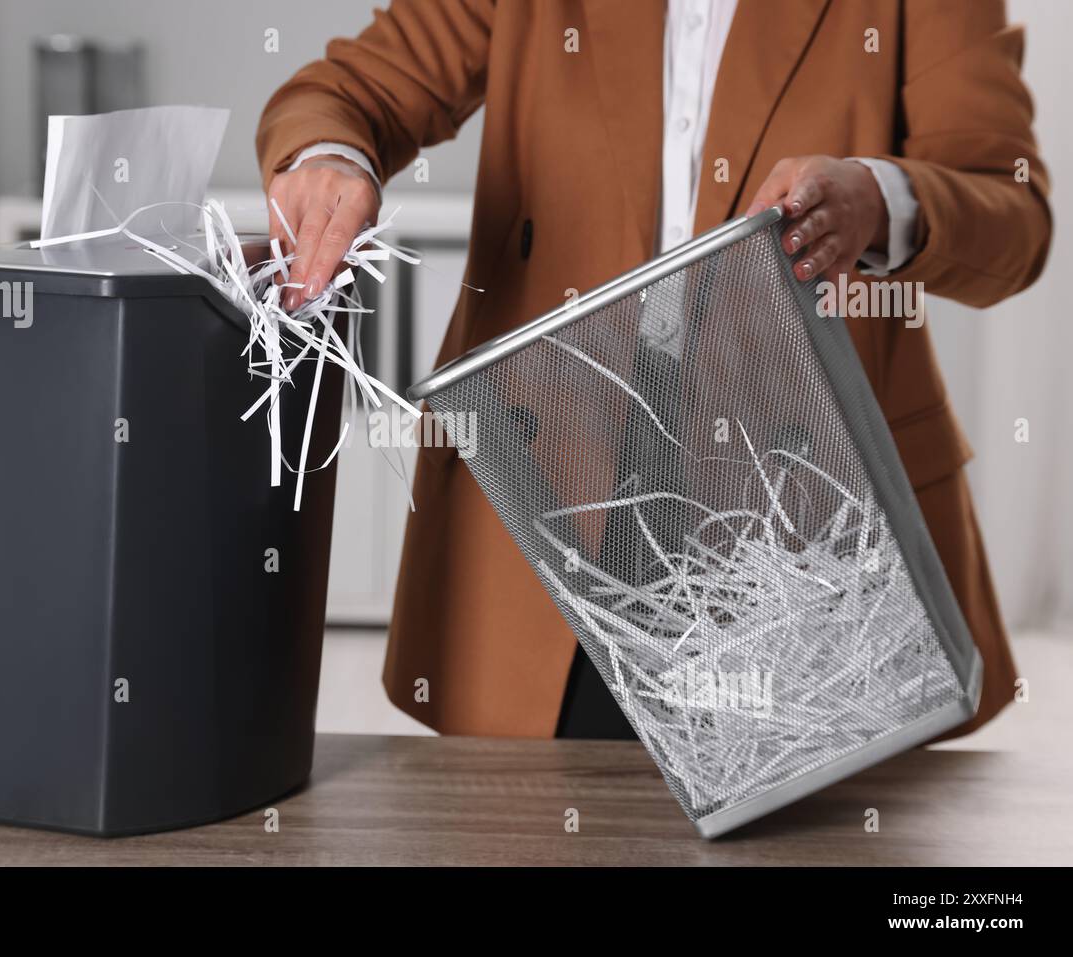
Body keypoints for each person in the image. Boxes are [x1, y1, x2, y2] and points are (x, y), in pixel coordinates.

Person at [256, 0, 1051, 740]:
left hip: (808, 514)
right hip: (551, 488)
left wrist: (877, 199)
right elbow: (351, 92)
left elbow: (1012, 216)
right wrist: (332, 159)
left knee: (815, 840)